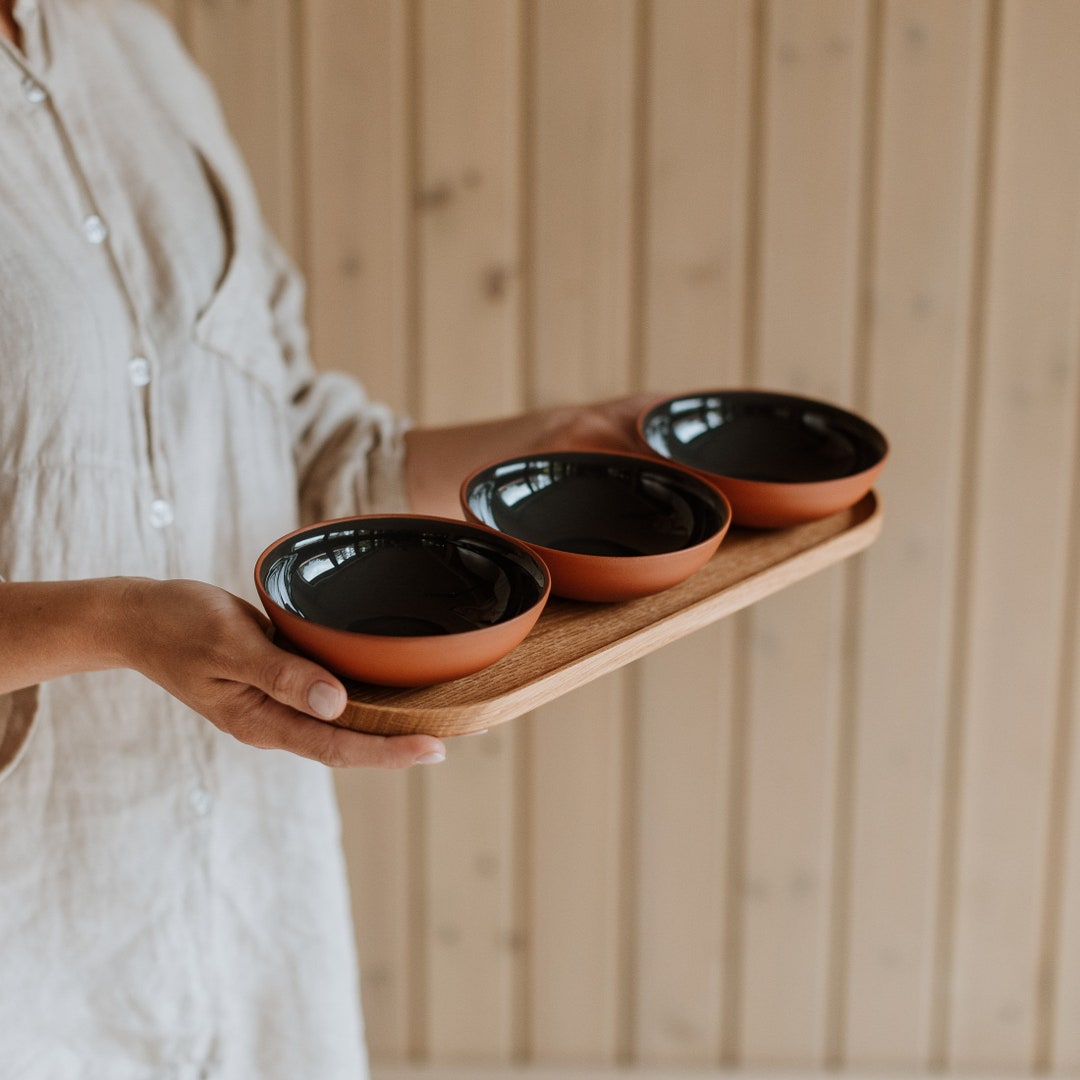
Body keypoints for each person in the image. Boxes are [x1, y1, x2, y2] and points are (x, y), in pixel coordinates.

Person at [0, 1, 649, 1076]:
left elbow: (288, 433)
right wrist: (119, 623)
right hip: (37, 942)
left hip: (254, 904)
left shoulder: (132, 45)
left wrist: (545, 446)